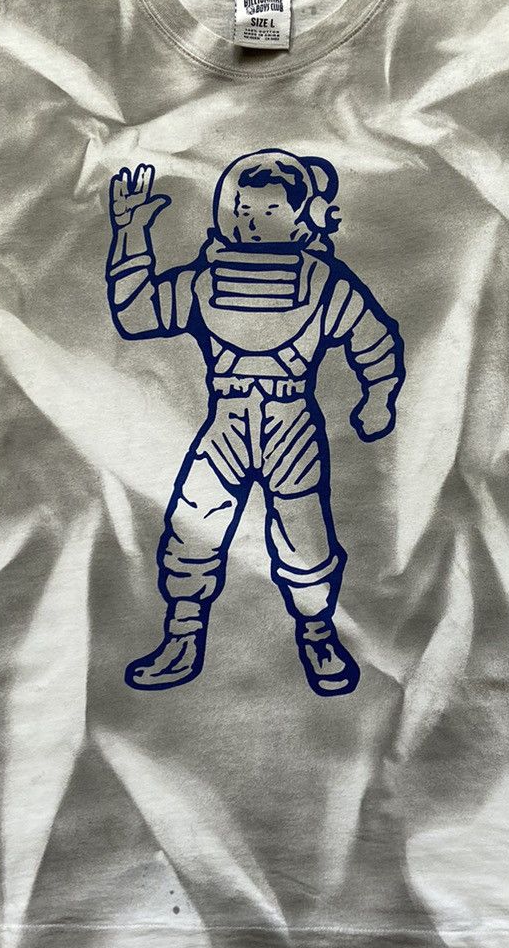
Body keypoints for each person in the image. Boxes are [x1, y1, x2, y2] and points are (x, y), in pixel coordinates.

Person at [106, 147, 405, 696]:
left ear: (302, 215)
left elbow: (375, 342)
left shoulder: (323, 285)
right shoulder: (204, 283)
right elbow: (136, 313)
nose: (251, 220)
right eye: (243, 208)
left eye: (268, 210)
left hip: (292, 427)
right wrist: (130, 234)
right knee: (193, 527)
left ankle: (318, 635)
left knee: (304, 538)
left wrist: (379, 396)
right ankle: (182, 635)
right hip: (227, 426)